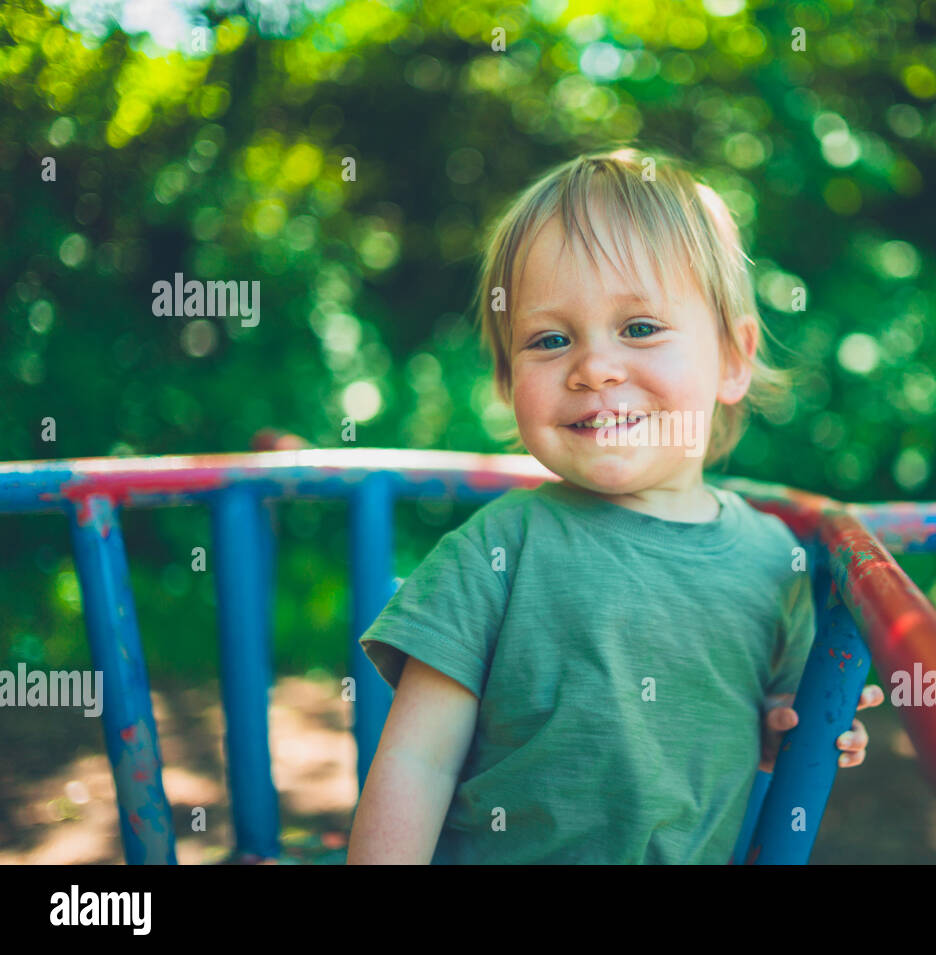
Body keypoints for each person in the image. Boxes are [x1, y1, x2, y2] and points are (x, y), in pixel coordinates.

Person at [346, 147, 883, 864]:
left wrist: (809, 729)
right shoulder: (497, 549)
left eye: (638, 327)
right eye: (550, 339)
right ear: (509, 383)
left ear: (733, 358)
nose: (593, 366)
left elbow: (770, 737)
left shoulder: (773, 559)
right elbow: (416, 763)